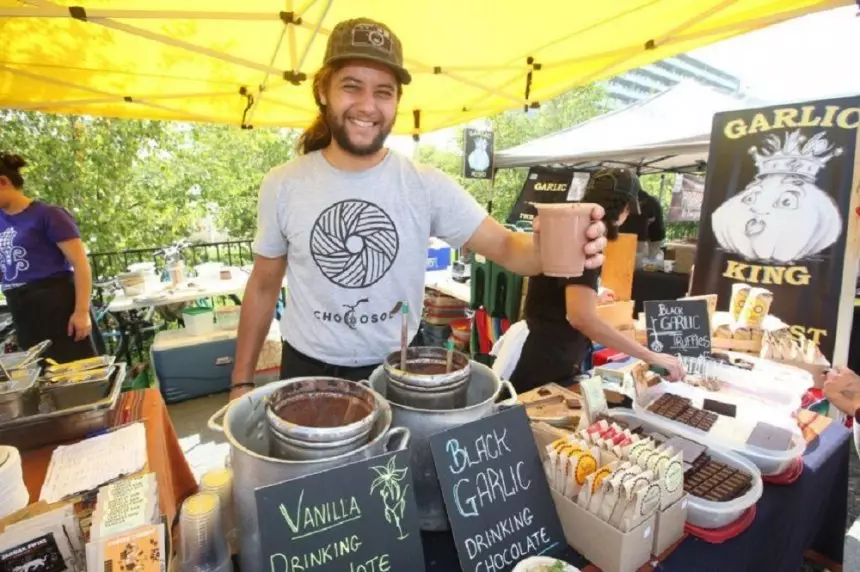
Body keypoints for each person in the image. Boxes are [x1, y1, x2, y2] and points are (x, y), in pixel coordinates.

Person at [229, 18, 608, 400]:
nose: (367, 105)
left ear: (396, 102)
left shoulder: (425, 184)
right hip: (306, 371)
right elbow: (263, 286)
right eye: (351, 87)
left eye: (383, 92)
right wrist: (241, 382)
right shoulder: (284, 184)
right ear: (323, 91)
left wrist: (563, 248)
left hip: (397, 369)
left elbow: (509, 248)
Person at [507, 168, 685, 393]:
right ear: (625, 210)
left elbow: (560, 286)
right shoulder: (585, 236)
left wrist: (593, 294)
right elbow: (582, 318)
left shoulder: (571, 226)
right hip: (543, 357)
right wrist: (649, 355)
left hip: (545, 348)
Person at [0, 153, 96, 364]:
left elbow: (80, 265)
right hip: (22, 310)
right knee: (41, 381)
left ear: (4, 182)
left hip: (58, 307)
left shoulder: (49, 215)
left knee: (77, 377)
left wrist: (81, 312)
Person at [618, 187, 665, 259]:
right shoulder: (648, 201)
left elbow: (651, 218)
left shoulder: (650, 202)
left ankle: (651, 267)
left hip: (656, 234)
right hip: (648, 234)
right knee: (644, 255)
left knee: (652, 256)